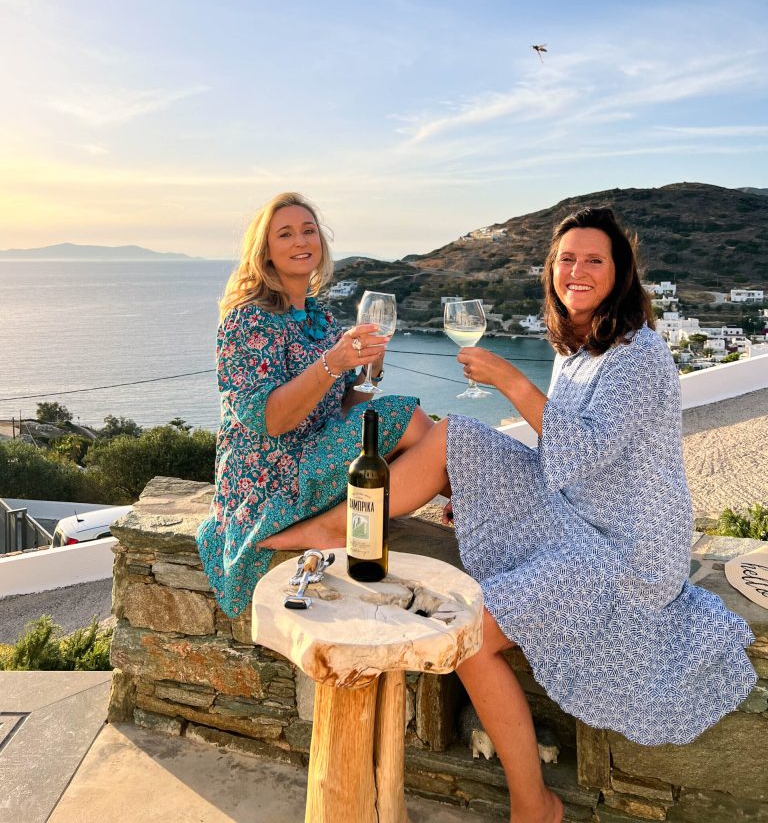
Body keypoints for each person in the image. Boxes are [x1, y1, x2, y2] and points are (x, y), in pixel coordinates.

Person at [263, 206, 757, 823]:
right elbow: (560, 454)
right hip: (574, 512)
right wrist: (478, 482)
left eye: (593, 260)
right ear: (551, 270)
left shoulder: (641, 353)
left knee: (471, 632)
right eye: (566, 259)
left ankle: (536, 805)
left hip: (629, 550)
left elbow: (579, 454)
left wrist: (508, 380)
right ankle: (342, 524)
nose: (576, 271)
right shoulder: (577, 349)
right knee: (453, 435)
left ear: (620, 273)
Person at [196, 192, 432, 619]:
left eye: (309, 230)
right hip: (270, 474)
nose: (301, 240)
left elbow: (342, 411)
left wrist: (369, 372)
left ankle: (469, 511)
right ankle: (343, 524)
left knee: (429, 431)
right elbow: (270, 420)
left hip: (315, 451)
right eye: (285, 233)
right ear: (264, 251)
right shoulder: (247, 320)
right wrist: (331, 362)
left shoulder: (318, 315)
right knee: (415, 421)